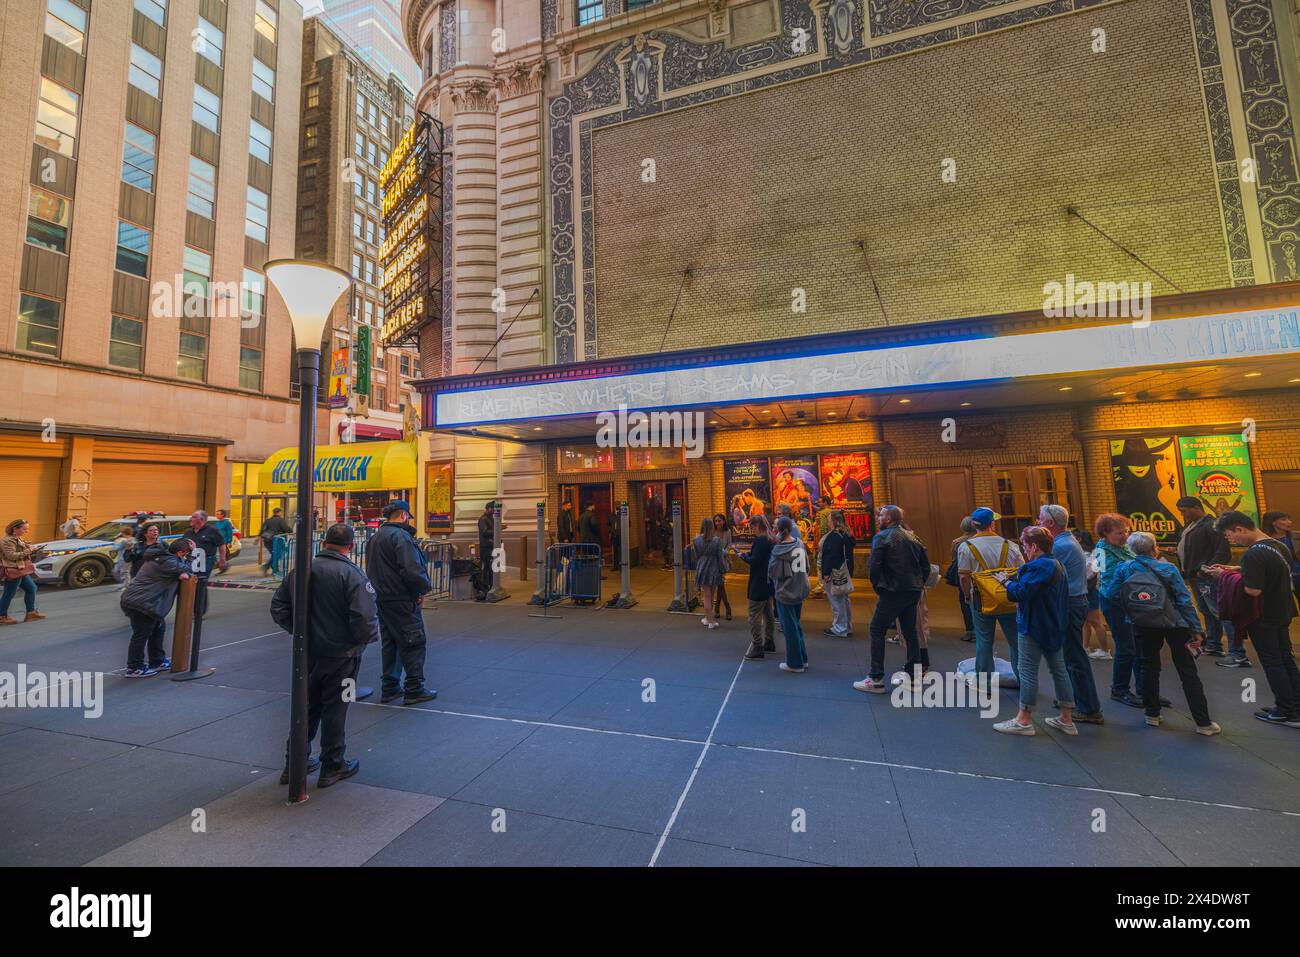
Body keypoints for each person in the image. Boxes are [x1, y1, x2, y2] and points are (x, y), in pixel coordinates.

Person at [272, 523, 380, 788]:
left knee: (306, 706)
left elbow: (279, 607)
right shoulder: (352, 574)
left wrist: (300, 633)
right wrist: (357, 642)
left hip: (308, 654)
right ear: (351, 546)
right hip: (343, 657)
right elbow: (364, 619)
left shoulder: (301, 570)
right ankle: (333, 764)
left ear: (324, 543)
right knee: (337, 708)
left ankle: (294, 762)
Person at [1110, 531, 1221, 735]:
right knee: (1187, 670)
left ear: (1131, 549)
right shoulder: (1168, 568)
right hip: (1175, 623)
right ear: (1155, 548)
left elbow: (1112, 593)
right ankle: (1203, 722)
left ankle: (1152, 714)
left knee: (1148, 667)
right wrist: (1196, 628)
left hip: (1142, 624)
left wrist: (1133, 610)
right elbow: (1184, 600)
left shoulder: (1124, 568)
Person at [1207, 511, 1300, 727]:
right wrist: (1237, 568)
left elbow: (1253, 590)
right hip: (1282, 610)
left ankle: (1286, 711)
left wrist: (1224, 576)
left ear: (1239, 529)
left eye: (1230, 536)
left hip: (1263, 615)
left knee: (1273, 662)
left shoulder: (1253, 554)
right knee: (1285, 659)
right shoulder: (1277, 545)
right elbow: (1269, 570)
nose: (1232, 540)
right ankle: (1294, 705)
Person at [994, 526, 1076, 736]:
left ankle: (1024, 720)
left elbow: (1021, 593)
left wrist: (1005, 581)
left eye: (1024, 545)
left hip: (1034, 624)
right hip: (1054, 624)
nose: (1023, 550)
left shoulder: (1038, 567)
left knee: (1027, 670)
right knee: (1059, 669)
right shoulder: (1057, 564)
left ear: (1034, 546)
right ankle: (1067, 718)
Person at [1038, 505, 1104, 724]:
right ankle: (1073, 698)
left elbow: (1044, 572)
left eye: (1041, 519)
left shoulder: (1060, 545)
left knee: (1074, 657)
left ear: (1050, 523)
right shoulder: (1067, 541)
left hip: (1069, 603)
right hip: (1073, 601)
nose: (1038, 522)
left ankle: (1088, 707)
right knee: (1069, 655)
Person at [366, 500, 435, 705]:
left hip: (383, 598)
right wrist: (421, 589)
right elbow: (412, 570)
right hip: (401, 598)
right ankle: (414, 688)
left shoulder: (376, 537)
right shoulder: (401, 537)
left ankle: (390, 687)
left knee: (391, 643)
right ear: (404, 515)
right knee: (413, 641)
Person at [854, 505, 928, 693]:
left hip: (893, 590)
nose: (878, 518)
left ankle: (876, 677)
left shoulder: (882, 537)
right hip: (912, 589)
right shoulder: (912, 536)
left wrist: (878, 586)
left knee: (877, 629)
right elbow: (924, 565)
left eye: (881, 515)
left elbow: (874, 566)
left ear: (888, 519)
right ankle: (914, 675)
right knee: (910, 631)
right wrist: (919, 583)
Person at [1093, 513, 1155, 708]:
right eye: (1119, 533)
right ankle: (1119, 689)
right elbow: (1108, 577)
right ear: (1105, 534)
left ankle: (1145, 690)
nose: (1125, 536)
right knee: (1126, 647)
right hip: (1114, 602)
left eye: (1127, 531)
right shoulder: (1101, 551)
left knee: (1138, 646)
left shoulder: (1125, 547)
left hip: (1131, 601)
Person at [958, 507, 1023, 687]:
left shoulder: (966, 547)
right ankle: (1023, 679)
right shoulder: (1010, 545)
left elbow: (964, 577)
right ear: (992, 524)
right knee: (1015, 640)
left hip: (980, 599)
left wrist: (967, 596)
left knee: (984, 640)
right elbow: (1022, 572)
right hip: (1008, 597)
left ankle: (984, 681)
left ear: (974, 524)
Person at [119, 538, 192, 677]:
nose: (188, 555)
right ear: (181, 552)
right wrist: (191, 557)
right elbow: (187, 571)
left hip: (145, 602)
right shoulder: (168, 562)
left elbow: (184, 572)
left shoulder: (165, 558)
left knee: (158, 630)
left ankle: (156, 661)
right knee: (141, 635)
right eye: (187, 553)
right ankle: (134, 667)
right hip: (142, 603)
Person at [1175, 496, 1234, 659]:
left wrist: (1206, 569)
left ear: (1196, 507)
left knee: (1219, 611)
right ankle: (1214, 644)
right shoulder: (1191, 525)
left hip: (1207, 577)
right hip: (1195, 575)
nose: (1183, 515)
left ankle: (1236, 651)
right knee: (1206, 610)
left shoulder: (1211, 524)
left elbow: (1222, 551)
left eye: (1184, 511)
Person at [768, 516, 810, 673]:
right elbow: (807, 564)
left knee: (789, 628)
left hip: (786, 590)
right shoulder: (799, 543)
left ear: (778, 530)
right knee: (796, 625)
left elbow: (772, 571)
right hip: (800, 587)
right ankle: (802, 658)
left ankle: (794, 663)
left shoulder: (779, 549)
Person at [739, 514, 776, 659]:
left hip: (758, 581)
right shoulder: (769, 539)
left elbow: (755, 561)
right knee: (768, 613)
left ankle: (757, 646)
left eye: (752, 527)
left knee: (754, 615)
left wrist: (744, 557)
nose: (751, 530)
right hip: (768, 581)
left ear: (756, 526)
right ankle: (769, 641)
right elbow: (760, 556)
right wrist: (749, 554)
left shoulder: (760, 540)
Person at [1073, 527, 1112, 659]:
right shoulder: (1097, 552)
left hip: (1087, 591)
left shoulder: (1083, 555)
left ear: (1079, 539)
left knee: (1095, 622)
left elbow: (1088, 574)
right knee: (1086, 622)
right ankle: (1085, 647)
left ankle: (1104, 650)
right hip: (1093, 589)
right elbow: (1099, 572)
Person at [182, 510, 228, 619]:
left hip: (206, 561)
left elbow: (221, 545)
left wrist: (222, 560)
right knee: (189, 584)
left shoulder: (212, 530)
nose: (190, 519)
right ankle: (190, 609)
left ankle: (199, 612)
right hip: (191, 560)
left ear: (201, 519)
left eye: (193, 517)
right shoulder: (188, 532)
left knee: (200, 585)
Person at [0, 519, 45, 625]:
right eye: (25, 529)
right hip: (13, 569)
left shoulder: (16, 538)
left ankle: (31, 613)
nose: (27, 531)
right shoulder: (7, 540)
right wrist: (29, 550)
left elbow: (18, 549)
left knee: (31, 588)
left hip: (20, 569)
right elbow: (11, 555)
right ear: (15, 529)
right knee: (9, 593)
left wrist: (28, 546)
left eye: (27, 528)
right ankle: (1, 616)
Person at [819, 509, 855, 638]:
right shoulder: (847, 534)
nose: (828, 522)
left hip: (835, 572)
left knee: (836, 600)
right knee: (844, 599)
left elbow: (830, 555)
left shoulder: (834, 536)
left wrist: (826, 573)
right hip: (844, 570)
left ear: (833, 521)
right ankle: (847, 626)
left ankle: (840, 627)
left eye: (829, 519)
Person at [1262, 510, 1300, 613]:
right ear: (1273, 522)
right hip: (1281, 580)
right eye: (1284, 519)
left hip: (1298, 576)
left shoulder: (1297, 536)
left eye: (1289, 519)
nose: (1289, 522)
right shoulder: (1264, 541)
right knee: (1283, 610)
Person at [693, 518, 726, 630]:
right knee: (711, 595)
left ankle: (707, 618)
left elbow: (696, 555)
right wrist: (723, 570)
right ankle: (710, 621)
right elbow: (720, 557)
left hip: (702, 567)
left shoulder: (696, 539)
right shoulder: (716, 540)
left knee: (707, 595)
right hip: (714, 567)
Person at [948, 516, 977, 642]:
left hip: (964, 574)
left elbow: (954, 561)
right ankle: (981, 629)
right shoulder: (980, 540)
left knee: (965, 601)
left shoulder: (957, 542)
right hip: (979, 574)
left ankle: (970, 630)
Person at [712, 513, 733, 621]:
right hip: (714, 561)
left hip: (723, 560)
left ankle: (717, 609)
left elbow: (729, 544)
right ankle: (727, 608)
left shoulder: (727, 532)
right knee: (720, 584)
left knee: (720, 585)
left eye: (719, 520)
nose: (718, 523)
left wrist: (724, 551)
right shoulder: (712, 532)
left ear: (724, 521)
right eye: (716, 521)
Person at [259, 507, 290, 575]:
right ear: (279, 512)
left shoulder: (268, 520)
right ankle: (268, 567)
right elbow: (287, 529)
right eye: (281, 512)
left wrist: (259, 538)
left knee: (274, 555)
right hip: (277, 540)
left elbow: (262, 531)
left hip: (267, 541)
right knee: (277, 555)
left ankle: (274, 569)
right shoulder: (280, 520)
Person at [475, 502, 495, 599]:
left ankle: (491, 585)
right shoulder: (483, 519)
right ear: (487, 509)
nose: (494, 511)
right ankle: (485, 587)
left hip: (491, 546)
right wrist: (497, 530)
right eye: (492, 509)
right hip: (486, 547)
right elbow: (485, 532)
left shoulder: (491, 518)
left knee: (492, 567)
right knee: (487, 567)